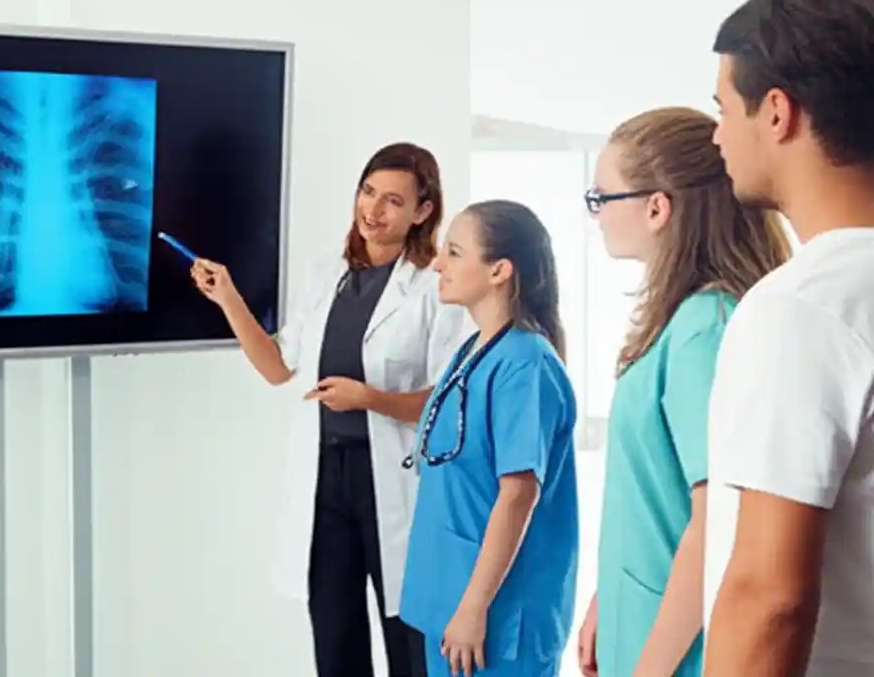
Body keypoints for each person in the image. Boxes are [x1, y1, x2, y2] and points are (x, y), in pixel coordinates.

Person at [190, 142, 468, 677]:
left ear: (423, 211)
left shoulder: (434, 288)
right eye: (367, 192)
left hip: (392, 480)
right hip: (326, 480)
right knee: (336, 640)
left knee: (408, 638)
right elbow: (277, 367)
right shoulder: (327, 274)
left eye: (392, 200)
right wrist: (228, 298)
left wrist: (371, 399)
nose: (373, 210)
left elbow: (447, 401)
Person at [573, 107, 791, 677]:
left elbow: (716, 518)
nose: (594, 215)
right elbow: (649, 496)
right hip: (643, 624)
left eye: (601, 198)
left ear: (656, 207)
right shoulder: (678, 324)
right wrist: (608, 596)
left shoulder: (705, 328)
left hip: (677, 654)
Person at [702, 0, 874, 677]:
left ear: (777, 113)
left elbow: (770, 598)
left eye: (722, 108)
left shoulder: (803, 308)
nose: (716, 134)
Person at [400, 200, 578, 677]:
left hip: (495, 617)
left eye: (455, 252)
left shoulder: (526, 364)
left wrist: (473, 609)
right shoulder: (473, 350)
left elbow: (518, 494)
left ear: (500, 270)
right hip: (448, 599)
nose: (438, 263)